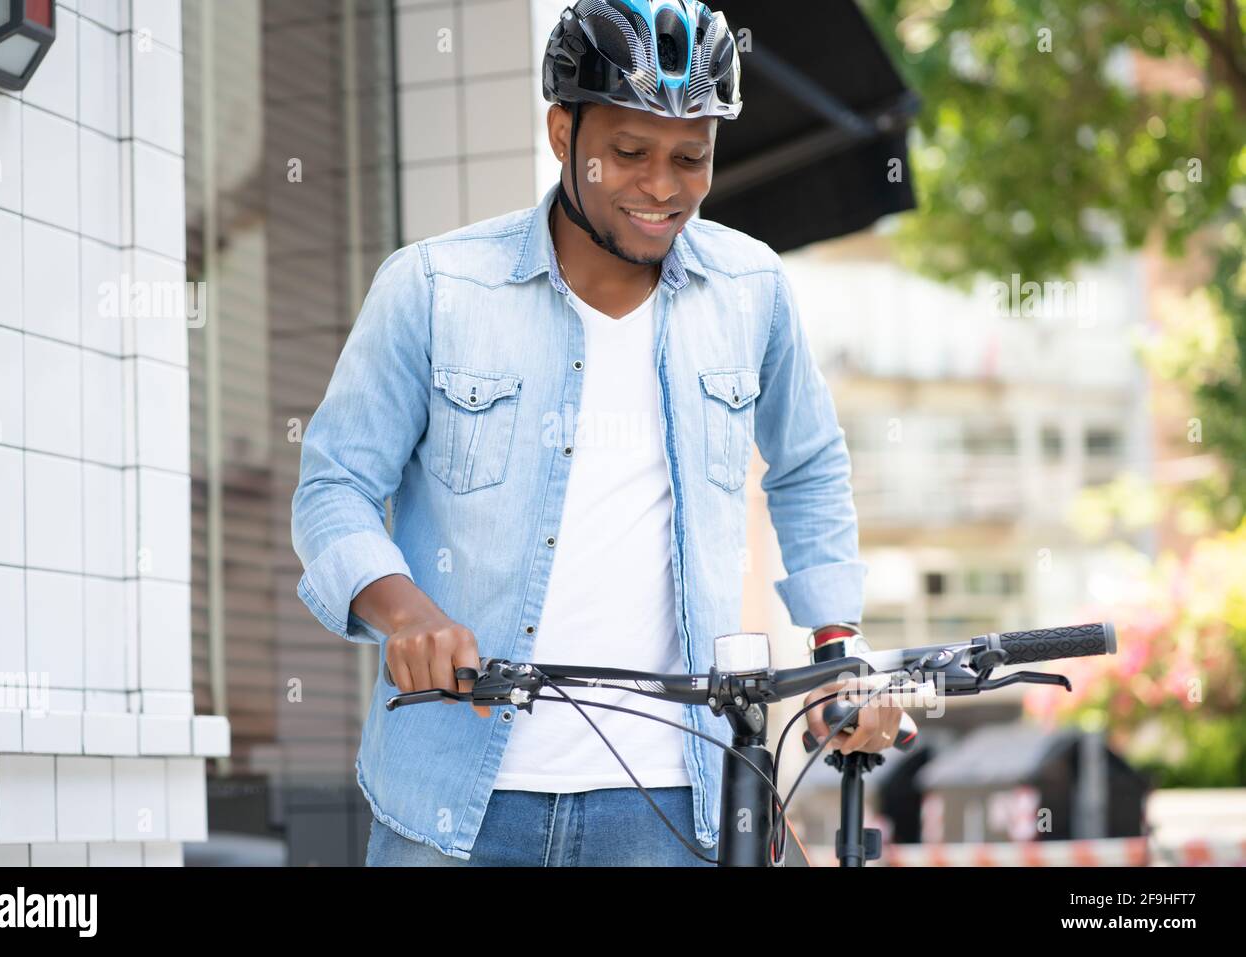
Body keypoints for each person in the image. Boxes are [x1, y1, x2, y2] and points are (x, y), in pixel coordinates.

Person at [292, 0, 902, 868]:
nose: (662, 186)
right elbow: (333, 488)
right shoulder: (433, 287)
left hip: (676, 803)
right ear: (561, 133)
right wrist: (406, 614)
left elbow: (807, 469)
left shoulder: (751, 290)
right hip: (454, 805)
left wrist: (838, 646)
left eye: (691, 157)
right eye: (629, 152)